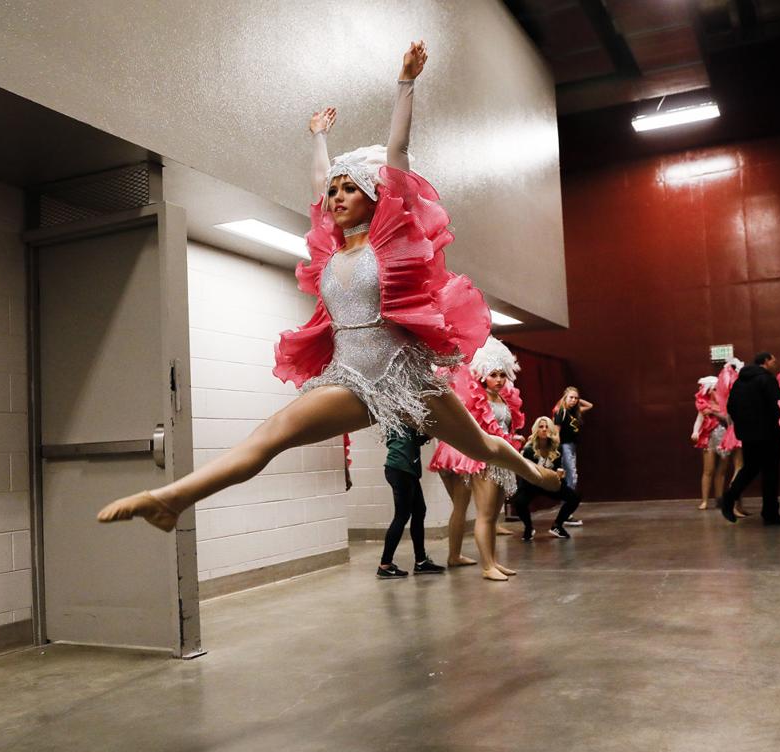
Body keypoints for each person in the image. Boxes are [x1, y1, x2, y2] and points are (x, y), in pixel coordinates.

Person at [96, 41, 560, 532]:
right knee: (272, 433)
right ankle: (171, 499)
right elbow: (319, 186)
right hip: (351, 380)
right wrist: (318, 138)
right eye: (334, 191)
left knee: (484, 446)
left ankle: (533, 471)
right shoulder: (328, 254)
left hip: (408, 379)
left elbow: (397, 154)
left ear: (373, 198)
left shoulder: (389, 244)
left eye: (349, 189)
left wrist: (406, 83)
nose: (336, 197)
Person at [429, 337, 526, 581]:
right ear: (483, 375)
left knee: (493, 516)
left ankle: (493, 561)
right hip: (485, 462)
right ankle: (487, 566)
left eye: (503, 375)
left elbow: (505, 428)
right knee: (484, 514)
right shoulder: (476, 399)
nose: (499, 380)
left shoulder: (503, 399)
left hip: (501, 462)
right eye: (494, 375)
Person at [719, 352, 780, 526]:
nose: (776, 363)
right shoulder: (767, 380)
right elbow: (777, 407)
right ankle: (770, 513)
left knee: (750, 468)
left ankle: (730, 498)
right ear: (766, 361)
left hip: (748, 436)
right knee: (770, 474)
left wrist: (744, 427)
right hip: (769, 435)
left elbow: (731, 407)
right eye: (774, 360)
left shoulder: (740, 381)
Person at [376, 424, 445, 578]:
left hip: (404, 469)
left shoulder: (399, 416)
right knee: (402, 516)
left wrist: (427, 436)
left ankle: (421, 561)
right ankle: (385, 565)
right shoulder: (402, 415)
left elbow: (411, 440)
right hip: (401, 468)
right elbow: (407, 442)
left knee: (419, 511)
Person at [512, 417, 578, 540]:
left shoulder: (556, 448)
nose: (544, 429)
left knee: (574, 497)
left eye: (547, 427)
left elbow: (557, 470)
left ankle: (557, 525)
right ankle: (528, 527)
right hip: (531, 484)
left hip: (549, 484)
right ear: (536, 429)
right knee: (519, 502)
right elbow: (526, 473)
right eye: (541, 427)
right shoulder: (529, 449)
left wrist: (559, 474)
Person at [552, 386, 593, 525]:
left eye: (576, 398)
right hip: (565, 447)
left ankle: (566, 513)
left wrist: (577, 398)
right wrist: (557, 451)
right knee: (572, 477)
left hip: (572, 447)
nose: (574, 400)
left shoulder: (573, 412)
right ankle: (567, 513)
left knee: (570, 478)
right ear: (565, 398)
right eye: (571, 397)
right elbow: (556, 432)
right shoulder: (561, 412)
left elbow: (590, 405)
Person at [714, 358, 748, 518]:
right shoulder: (736, 394)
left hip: (734, 430)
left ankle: (739, 505)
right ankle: (733, 504)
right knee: (739, 468)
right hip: (738, 431)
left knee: (740, 467)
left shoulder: (728, 394)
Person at [691, 375, 725, 510]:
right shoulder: (704, 406)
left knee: (722, 470)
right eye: (715, 390)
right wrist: (695, 432)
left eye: (719, 389)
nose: (717, 392)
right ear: (709, 391)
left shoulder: (724, 405)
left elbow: (728, 419)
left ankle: (719, 498)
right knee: (708, 470)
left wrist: (715, 412)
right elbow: (698, 421)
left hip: (724, 439)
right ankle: (704, 500)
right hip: (709, 439)